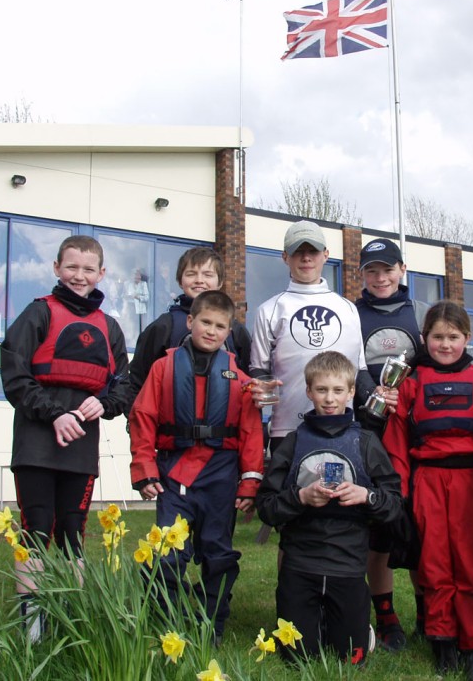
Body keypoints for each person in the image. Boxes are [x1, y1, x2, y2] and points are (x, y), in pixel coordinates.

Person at [0, 234, 130, 642]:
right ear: (57, 268)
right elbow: (15, 375)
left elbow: (125, 385)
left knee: (73, 530)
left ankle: (69, 620)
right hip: (37, 444)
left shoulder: (109, 328)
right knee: (36, 528)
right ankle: (33, 627)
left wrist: (103, 405)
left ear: (101, 273)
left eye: (88, 269)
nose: (79, 276)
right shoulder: (38, 314)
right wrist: (55, 415)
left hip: (81, 451)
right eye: (71, 267)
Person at [127, 290, 264, 642]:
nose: (211, 331)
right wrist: (145, 469)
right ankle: (164, 623)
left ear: (228, 331)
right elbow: (142, 418)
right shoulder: (163, 368)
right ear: (190, 321)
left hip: (221, 475)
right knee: (168, 552)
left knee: (218, 553)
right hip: (174, 474)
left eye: (220, 326)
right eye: (205, 322)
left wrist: (249, 484)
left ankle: (211, 626)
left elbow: (250, 434)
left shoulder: (242, 381)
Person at [383, 301, 473, 677]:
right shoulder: (411, 384)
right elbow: (397, 443)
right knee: (435, 564)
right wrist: (401, 495)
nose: (446, 344)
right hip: (428, 483)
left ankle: (471, 644)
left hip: (471, 484)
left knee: (471, 566)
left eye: (453, 337)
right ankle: (442, 641)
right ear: (425, 339)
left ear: (467, 338)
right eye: (438, 337)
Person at [256, 351, 402, 665]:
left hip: (347, 565)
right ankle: (316, 622)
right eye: (321, 390)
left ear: (351, 392)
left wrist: (366, 495)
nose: (330, 399)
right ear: (309, 391)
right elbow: (266, 508)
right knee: (297, 659)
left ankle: (356, 628)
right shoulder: (293, 443)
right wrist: (300, 498)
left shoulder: (365, 442)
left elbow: (394, 506)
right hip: (300, 564)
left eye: (338, 391)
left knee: (351, 659)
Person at [355, 237, 427, 651]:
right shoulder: (352, 313)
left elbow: (436, 362)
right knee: (378, 526)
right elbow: (348, 361)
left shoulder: (419, 315)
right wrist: (371, 395)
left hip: (415, 434)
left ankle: (427, 610)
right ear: (362, 274)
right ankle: (386, 616)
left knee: (420, 527)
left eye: (387, 269)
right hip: (371, 431)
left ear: (402, 270)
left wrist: (408, 395)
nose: (380, 278)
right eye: (371, 271)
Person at [249, 220, 372, 452]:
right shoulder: (269, 310)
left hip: (343, 429)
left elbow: (360, 370)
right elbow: (258, 370)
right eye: (298, 252)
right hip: (287, 431)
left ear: (325, 255)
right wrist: (260, 387)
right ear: (286, 257)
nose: (306, 258)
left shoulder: (348, 308)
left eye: (313, 251)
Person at [126, 247, 251, 412]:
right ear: (180, 280)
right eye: (191, 274)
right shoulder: (163, 327)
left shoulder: (236, 331)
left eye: (208, 275)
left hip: (224, 432)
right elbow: (137, 380)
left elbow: (248, 383)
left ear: (220, 282)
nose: (199, 280)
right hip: (171, 431)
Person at [125, 267, 150, 334]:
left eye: (138, 275)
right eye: (135, 275)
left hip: (140, 311)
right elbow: (127, 295)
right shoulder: (129, 285)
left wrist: (138, 297)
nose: (137, 277)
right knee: (131, 327)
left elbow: (147, 297)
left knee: (140, 327)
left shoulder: (143, 285)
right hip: (131, 310)